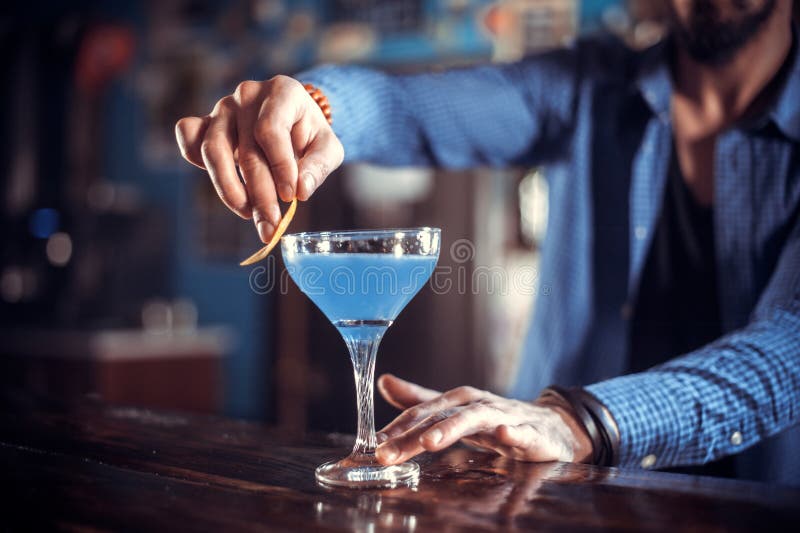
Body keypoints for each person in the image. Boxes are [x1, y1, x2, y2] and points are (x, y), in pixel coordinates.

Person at [175, 0, 800, 485]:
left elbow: (790, 349)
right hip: (557, 495)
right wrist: (311, 106)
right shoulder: (588, 86)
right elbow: (405, 109)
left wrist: (581, 420)